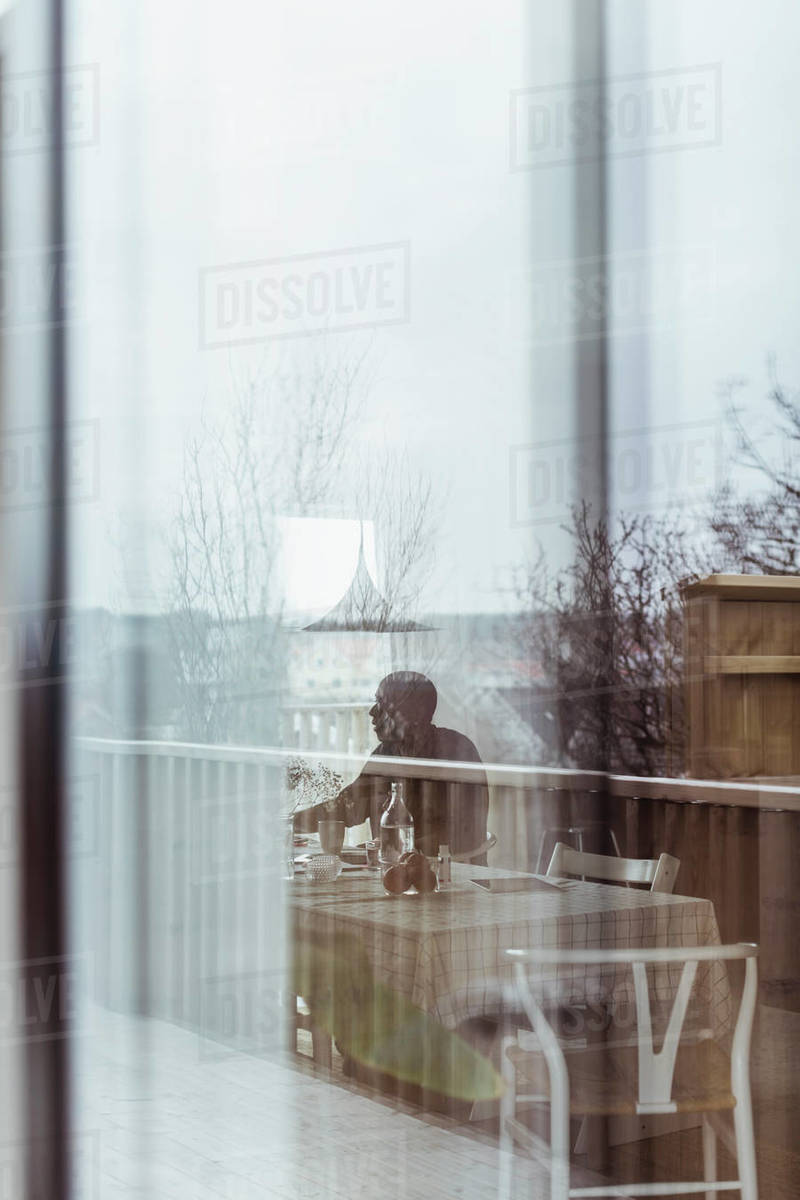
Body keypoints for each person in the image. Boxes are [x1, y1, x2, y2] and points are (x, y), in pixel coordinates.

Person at [294, 671, 489, 860]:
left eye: (382, 703)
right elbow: (349, 806)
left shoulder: (455, 751)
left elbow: (465, 830)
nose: (372, 712)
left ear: (414, 714)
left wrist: (391, 846)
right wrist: (291, 823)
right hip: (395, 874)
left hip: (449, 877)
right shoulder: (386, 753)